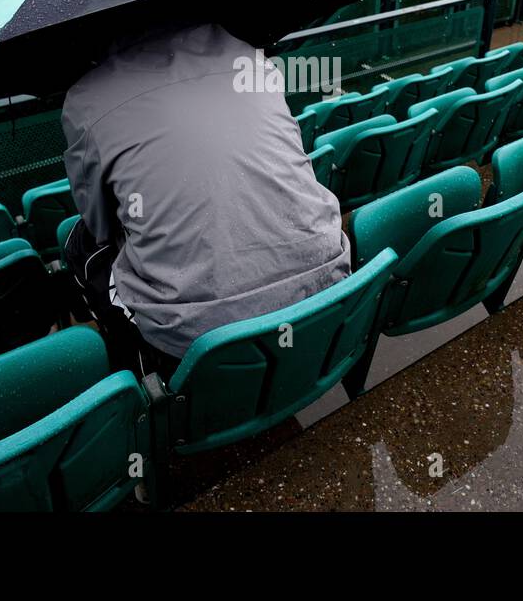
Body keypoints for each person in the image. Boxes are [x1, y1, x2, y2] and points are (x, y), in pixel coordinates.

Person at [60, 20, 352, 379]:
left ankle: (133, 376)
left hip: (193, 332)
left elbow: (98, 224)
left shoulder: (86, 98)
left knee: (78, 245)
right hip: (329, 282)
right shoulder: (251, 57)